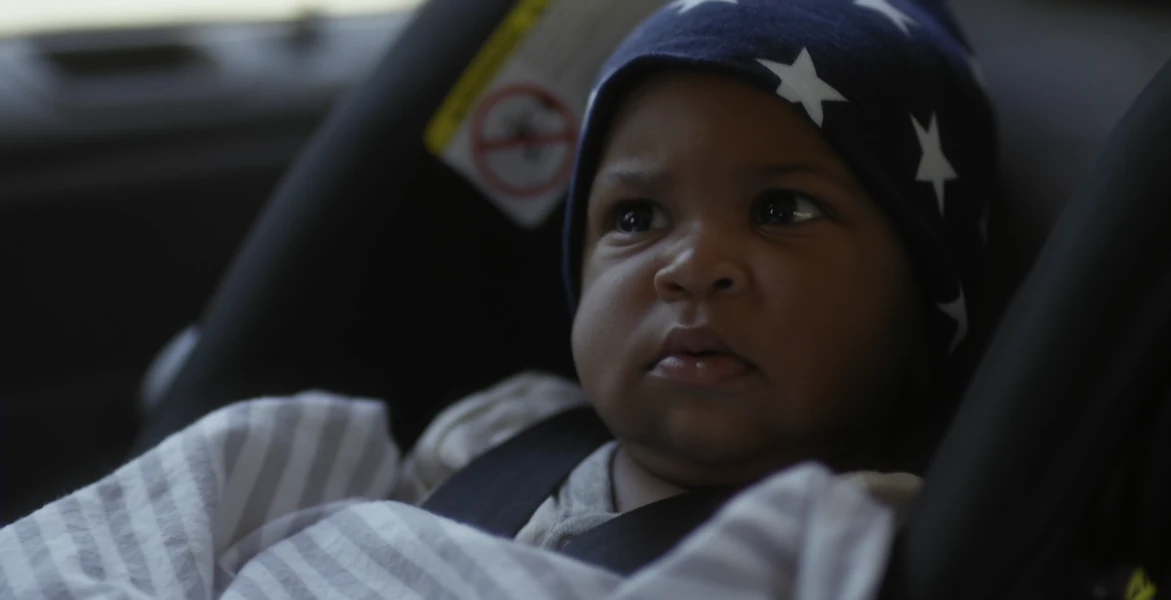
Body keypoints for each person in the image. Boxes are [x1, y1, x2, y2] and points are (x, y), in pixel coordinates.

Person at [0, 0, 996, 597]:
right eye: (636, 217)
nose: (692, 265)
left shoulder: (869, 530)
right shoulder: (496, 430)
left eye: (781, 209)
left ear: (921, 303)